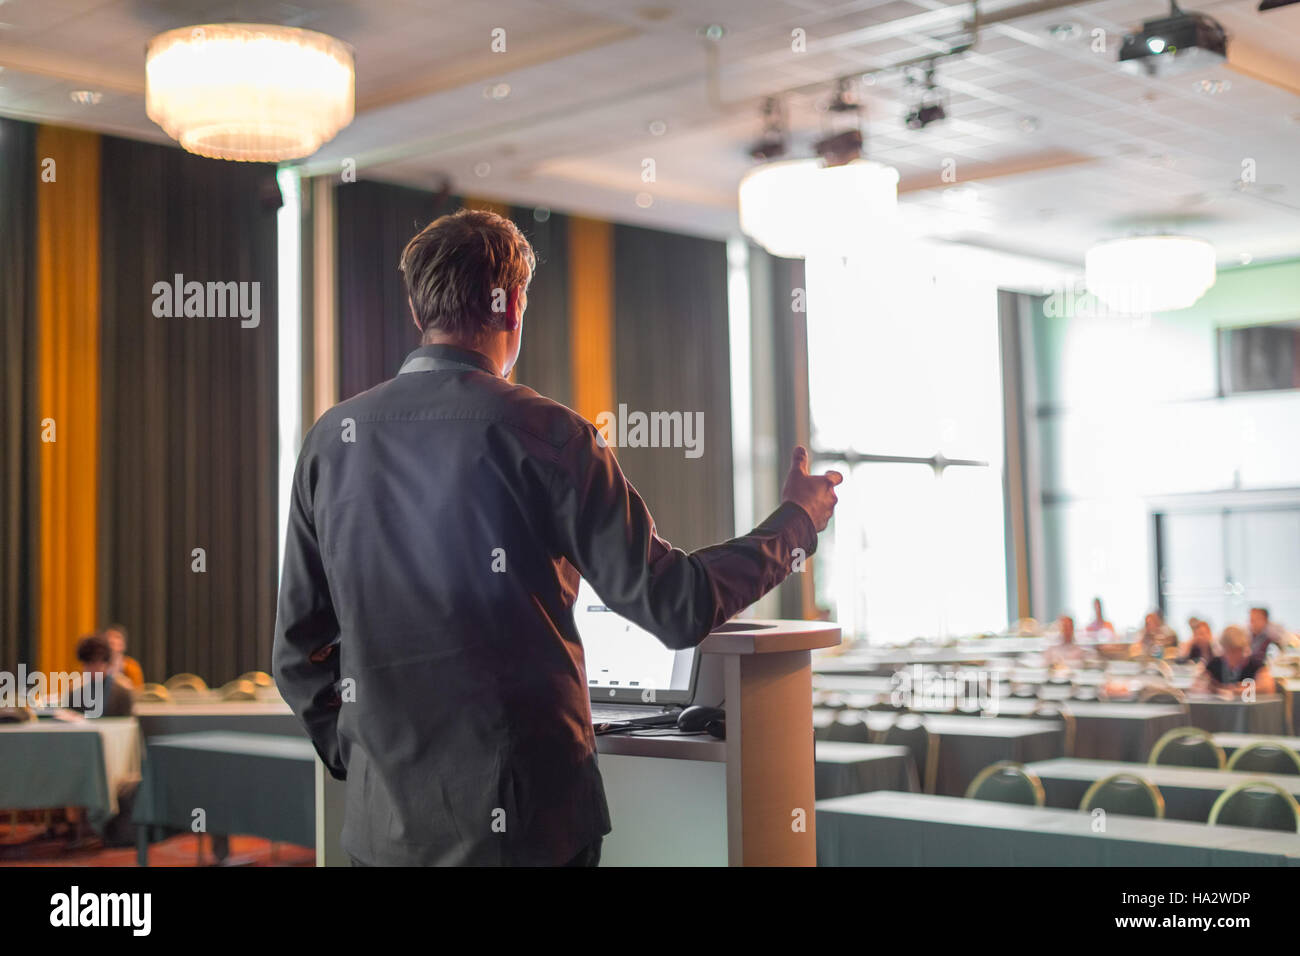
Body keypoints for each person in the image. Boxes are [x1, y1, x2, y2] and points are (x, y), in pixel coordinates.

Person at [272, 209, 841, 867]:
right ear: (513, 304)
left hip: (382, 836)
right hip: (527, 830)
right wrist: (796, 524)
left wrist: (361, 758)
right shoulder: (550, 436)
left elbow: (298, 654)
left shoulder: (330, 441)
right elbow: (674, 605)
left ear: (415, 308)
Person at [67, 634, 134, 718]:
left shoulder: (122, 694)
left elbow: (128, 724)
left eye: (96, 664)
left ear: (107, 663)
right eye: (88, 665)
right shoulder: (75, 694)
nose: (92, 669)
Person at [1198, 625, 1275, 695]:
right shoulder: (1214, 664)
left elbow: (1268, 688)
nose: (1233, 655)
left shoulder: (1255, 664)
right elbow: (1199, 685)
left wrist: (1235, 691)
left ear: (1243, 649)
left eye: (1237, 650)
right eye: (1229, 651)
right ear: (1223, 649)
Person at [101, 623, 144, 689]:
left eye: (117, 637)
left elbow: (138, 691)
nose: (111, 640)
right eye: (109, 636)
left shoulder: (132, 667)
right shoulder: (97, 666)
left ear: (123, 644)